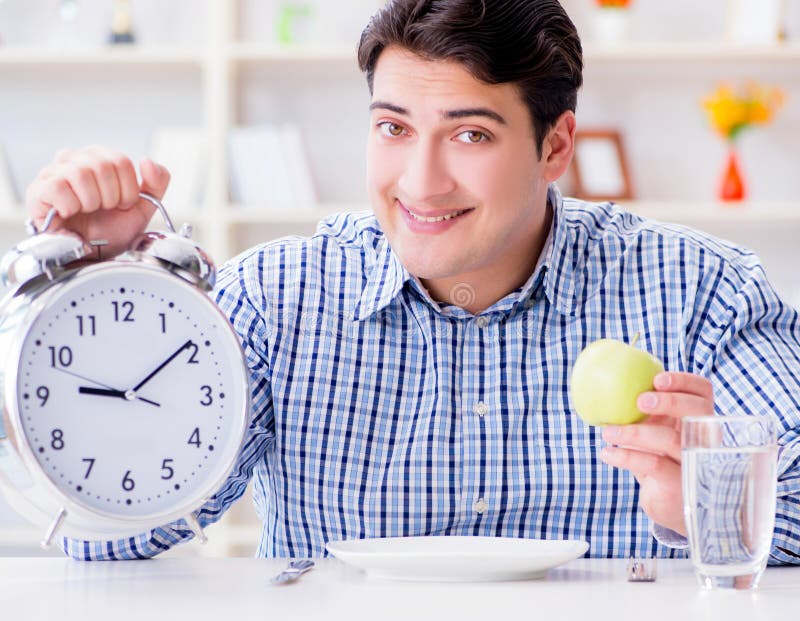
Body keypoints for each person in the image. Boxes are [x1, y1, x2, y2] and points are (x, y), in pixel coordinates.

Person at [24, 0, 800, 562]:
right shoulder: (272, 302)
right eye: (393, 128)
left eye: (470, 133)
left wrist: (714, 507)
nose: (420, 183)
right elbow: (115, 536)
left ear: (556, 144)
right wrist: (103, 294)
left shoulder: (703, 292)